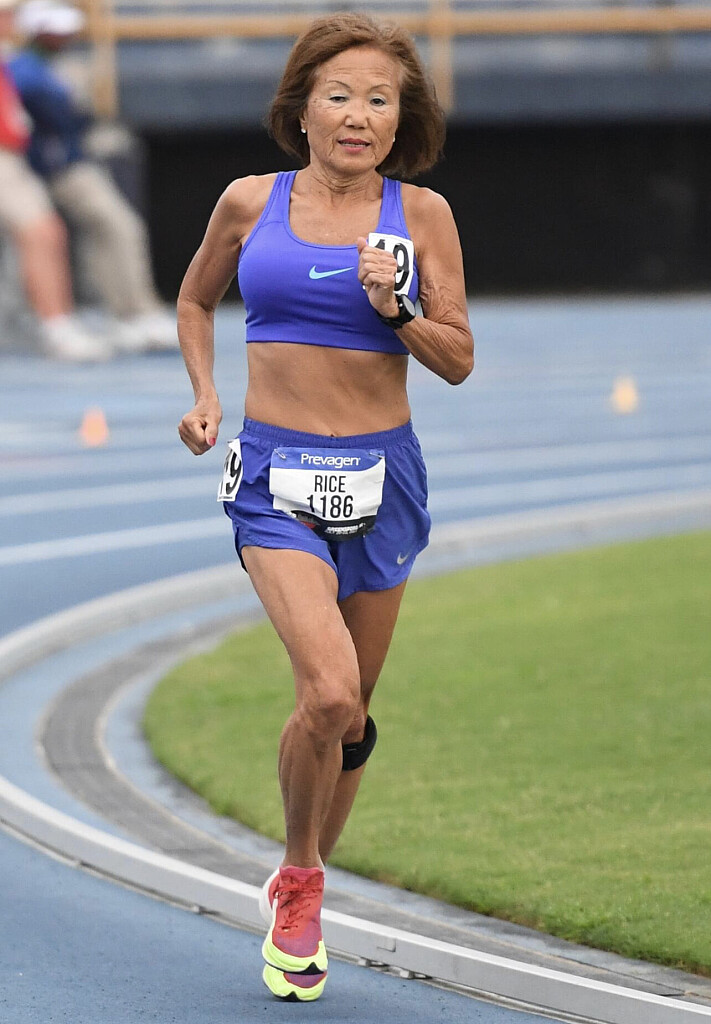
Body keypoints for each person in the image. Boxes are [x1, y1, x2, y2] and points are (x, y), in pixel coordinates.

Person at [177, 12, 473, 1002]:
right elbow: (193, 301)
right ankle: (301, 879)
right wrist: (207, 395)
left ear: (399, 121)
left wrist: (400, 311)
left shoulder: (421, 216)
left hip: (385, 480)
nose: (358, 114)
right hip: (273, 481)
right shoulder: (246, 201)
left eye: (379, 100)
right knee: (331, 691)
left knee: (348, 721)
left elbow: (461, 360)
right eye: (340, 94)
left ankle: (302, 879)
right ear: (302, 106)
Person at [9, 0, 177, 352]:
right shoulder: (19, 67)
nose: (64, 35)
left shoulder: (69, 65)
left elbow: (74, 119)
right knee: (41, 232)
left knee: (116, 223)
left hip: (63, 163)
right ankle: (49, 323)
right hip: (17, 161)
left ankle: (134, 313)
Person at [0, 0, 109, 360]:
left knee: (45, 231)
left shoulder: (14, 60)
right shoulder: (22, 64)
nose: (10, 20)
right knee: (41, 231)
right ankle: (56, 325)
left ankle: (54, 322)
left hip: (14, 156)